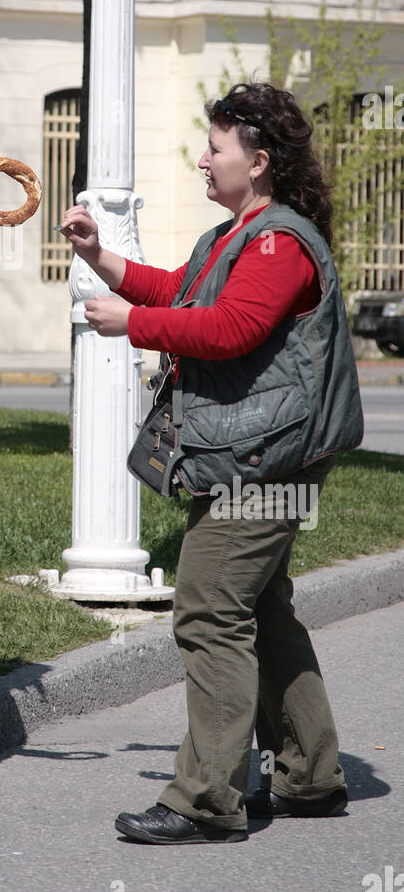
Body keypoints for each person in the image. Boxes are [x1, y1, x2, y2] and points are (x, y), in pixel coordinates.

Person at [60, 82, 363, 844]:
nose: (203, 159)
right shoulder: (235, 234)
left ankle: (205, 799)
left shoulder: (278, 243)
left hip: (268, 464)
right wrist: (103, 258)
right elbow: (184, 295)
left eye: (216, 148)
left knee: (207, 604)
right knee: (260, 608)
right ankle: (309, 776)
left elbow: (227, 329)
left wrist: (132, 325)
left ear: (257, 162)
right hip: (252, 456)